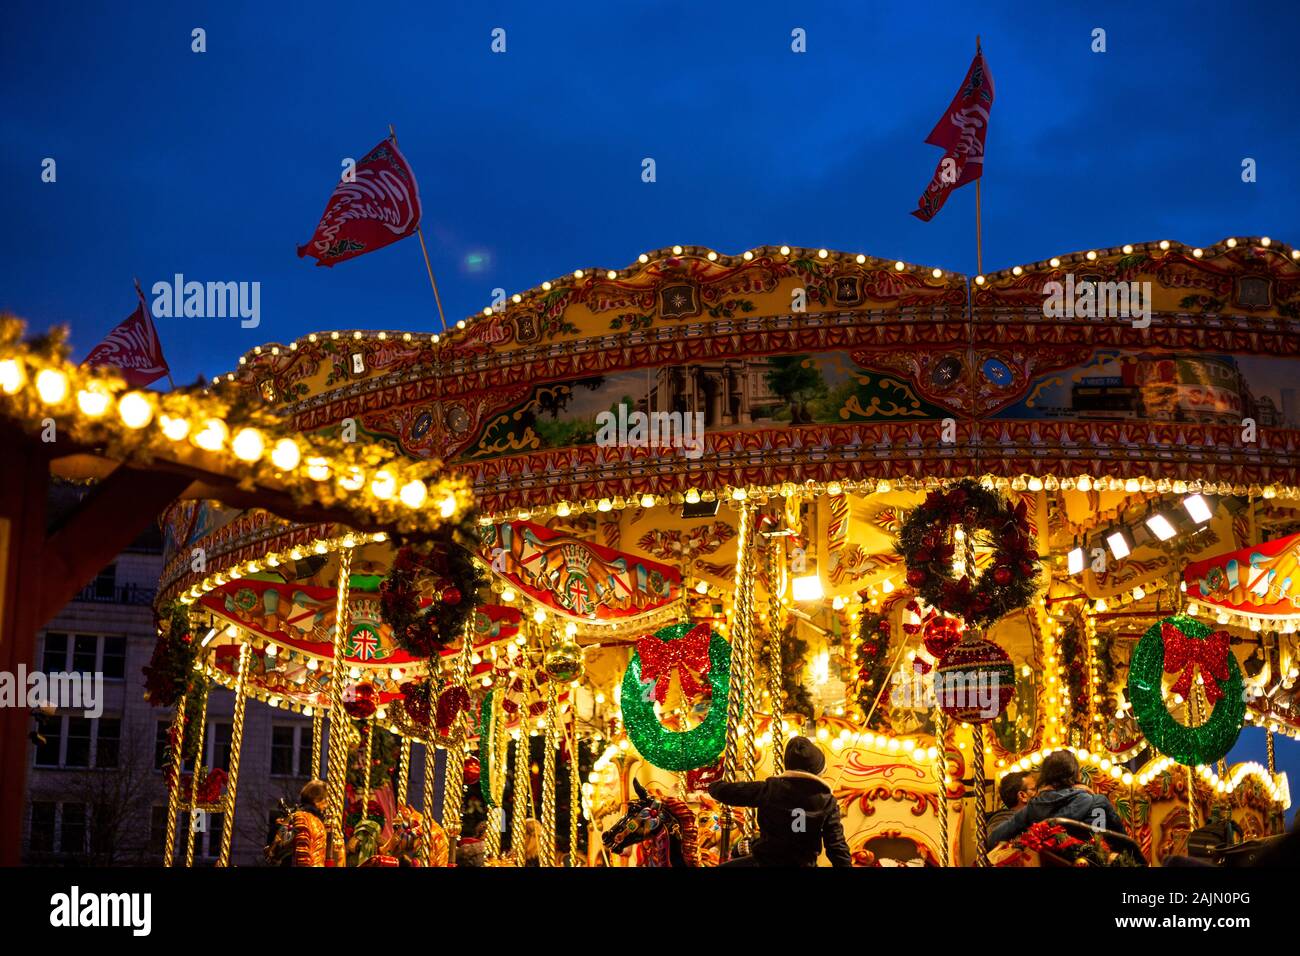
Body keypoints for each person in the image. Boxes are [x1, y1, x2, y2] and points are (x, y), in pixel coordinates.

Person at [708, 736, 853, 867]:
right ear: (818, 769)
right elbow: (836, 844)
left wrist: (714, 786)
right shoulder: (827, 801)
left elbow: (732, 792)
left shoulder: (771, 789)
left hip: (767, 862)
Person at [988, 750, 1124, 847]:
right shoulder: (1097, 802)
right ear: (1077, 776)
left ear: (1046, 778)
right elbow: (1123, 842)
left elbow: (994, 838)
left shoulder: (1033, 808)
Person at [986, 771, 1036, 848]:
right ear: (1022, 796)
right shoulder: (1001, 819)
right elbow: (993, 843)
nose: (1039, 793)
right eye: (1034, 789)